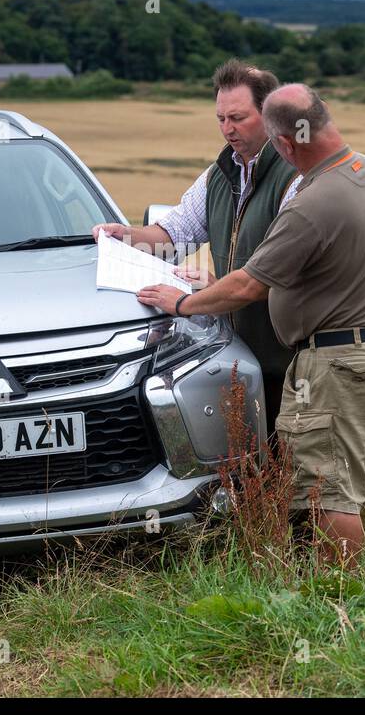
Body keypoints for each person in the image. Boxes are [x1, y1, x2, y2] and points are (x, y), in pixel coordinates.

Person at [135, 84, 365, 570]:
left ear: (285, 144)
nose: (227, 130)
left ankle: (347, 599)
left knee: (328, 491)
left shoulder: (311, 202)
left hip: (337, 362)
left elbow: (248, 285)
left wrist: (183, 302)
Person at [92, 59, 301, 438]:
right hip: (238, 358)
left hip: (291, 362)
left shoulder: (295, 179)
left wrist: (205, 289)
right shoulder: (218, 176)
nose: (227, 129)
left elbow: (278, 274)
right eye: (220, 118)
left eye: (237, 118)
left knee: (298, 476)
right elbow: (172, 236)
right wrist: (124, 236)